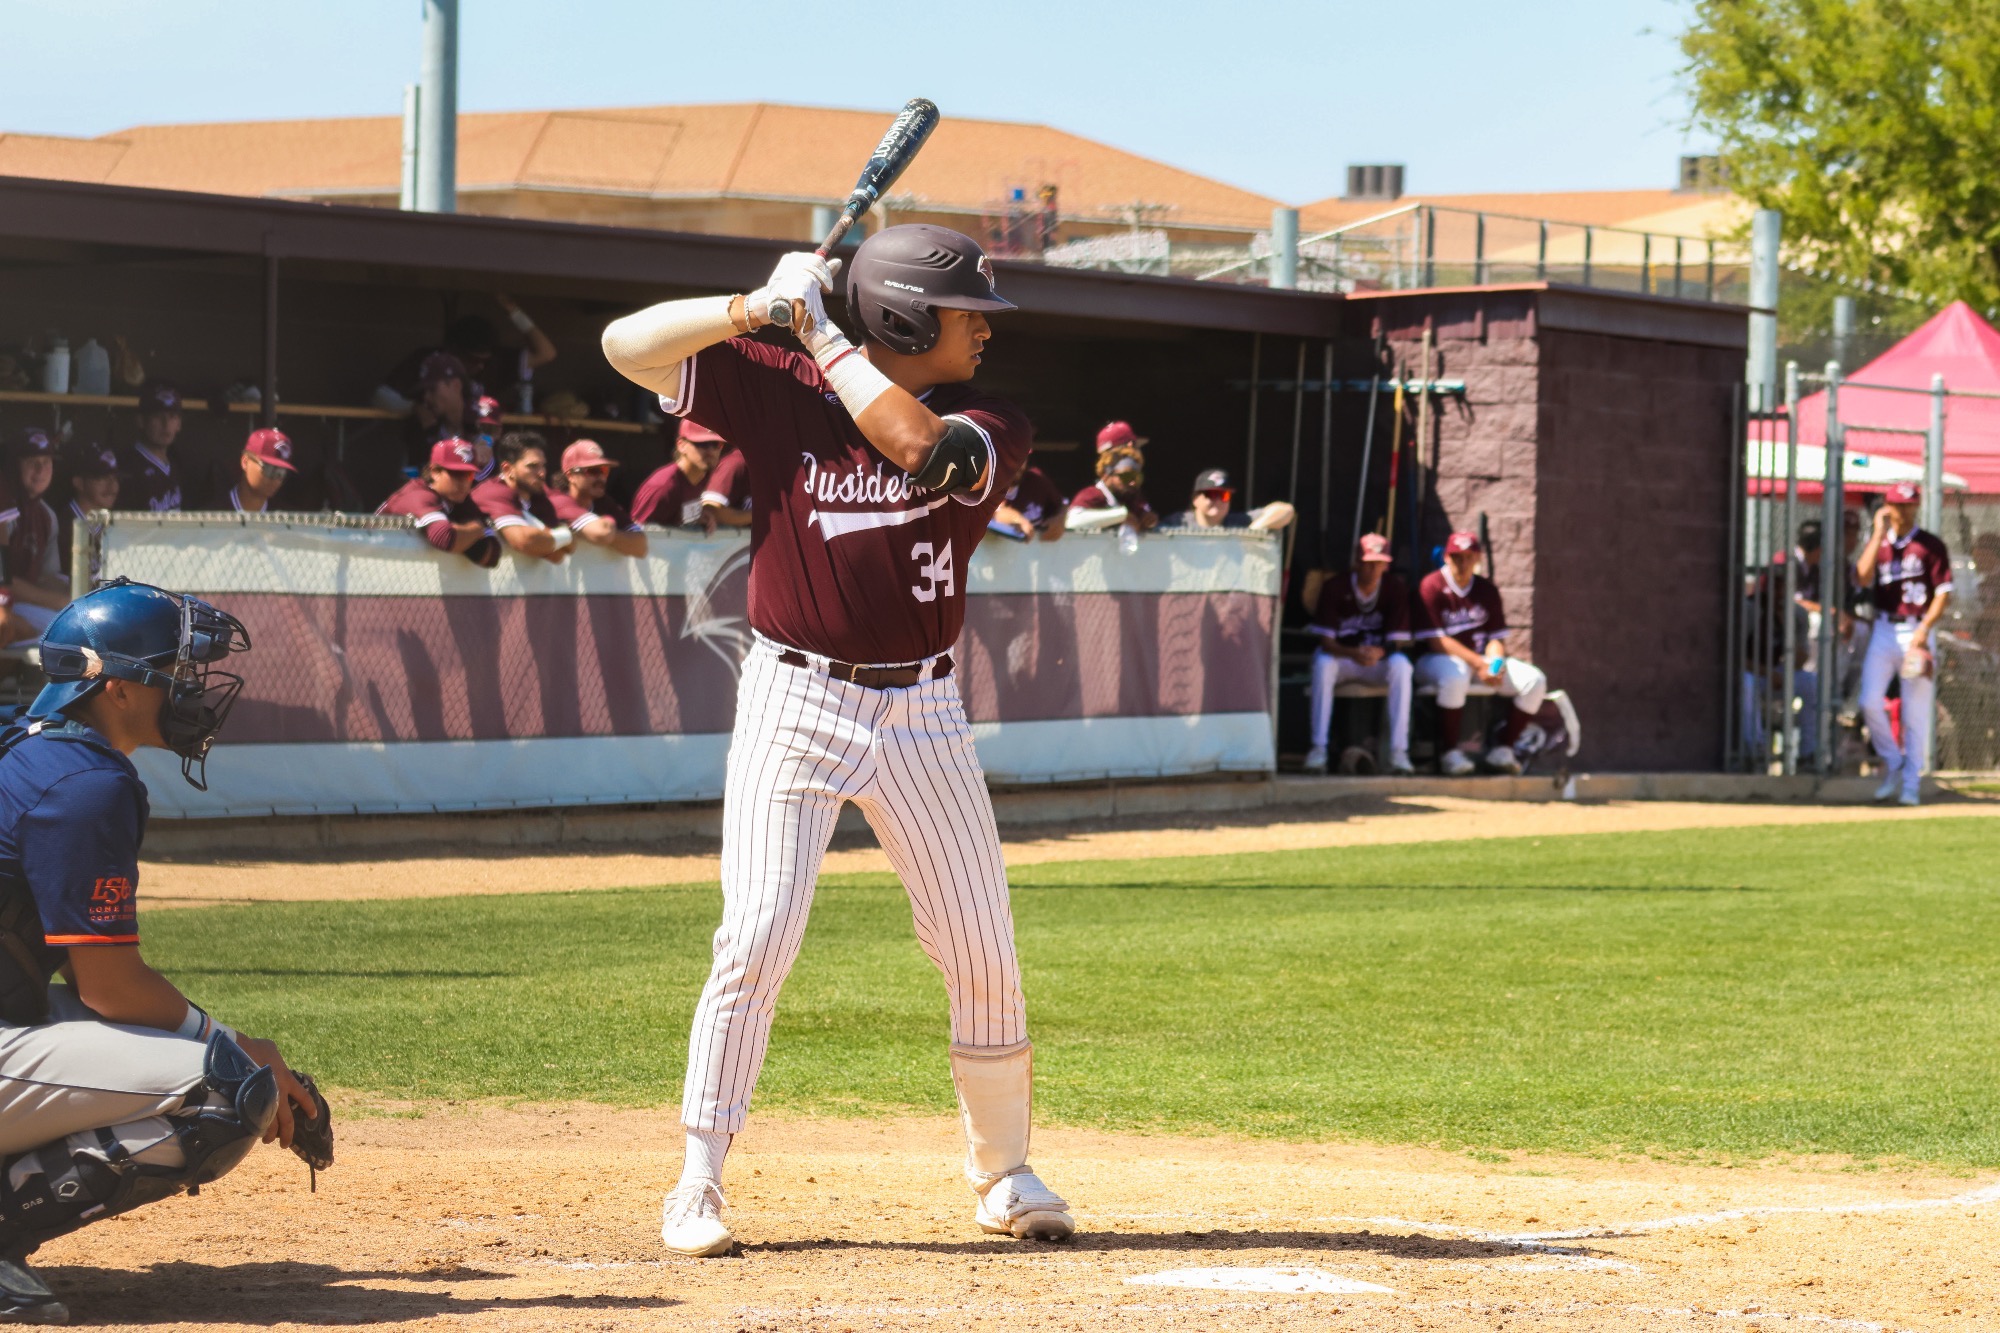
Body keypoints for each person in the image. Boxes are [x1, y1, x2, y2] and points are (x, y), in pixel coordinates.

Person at [602, 223, 1072, 1256]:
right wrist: (749, 311)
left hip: (924, 712)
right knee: (757, 934)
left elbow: (922, 450)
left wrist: (816, 334)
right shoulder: (780, 385)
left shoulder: (993, 421)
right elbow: (622, 346)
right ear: (906, 314)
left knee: (980, 948)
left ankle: (1004, 1174)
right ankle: (697, 1178)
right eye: (967, 311)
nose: (985, 330)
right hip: (795, 699)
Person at [0, 580, 322, 1322]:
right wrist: (238, 1044)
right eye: (172, 673)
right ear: (116, 688)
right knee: (230, 1087)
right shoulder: (83, 783)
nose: (190, 690)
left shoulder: (28, 748)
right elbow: (109, 988)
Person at [1412, 531, 1548, 775]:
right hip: (1436, 661)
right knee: (1455, 675)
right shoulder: (1431, 585)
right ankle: (1449, 753)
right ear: (1446, 557)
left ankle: (1503, 750)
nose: (1463, 563)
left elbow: (1495, 639)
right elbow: (1437, 641)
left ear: (1478, 558)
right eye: (1457, 557)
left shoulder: (1486, 589)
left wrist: (1495, 666)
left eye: (1468, 557)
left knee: (1535, 680)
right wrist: (1480, 664)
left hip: (1479, 663)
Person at [1854, 483, 1952, 805]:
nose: (1905, 510)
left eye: (1910, 504)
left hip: (1916, 630)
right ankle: (1894, 762)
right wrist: (1877, 534)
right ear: (1887, 507)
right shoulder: (1881, 543)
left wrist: (1925, 629)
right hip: (1884, 628)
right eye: (1899, 505)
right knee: (1869, 701)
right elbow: (1862, 577)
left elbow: (1943, 593)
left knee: (1914, 712)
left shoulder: (1930, 545)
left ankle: (1910, 784)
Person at [1304, 533, 1413, 775]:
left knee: (1402, 665)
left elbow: (1397, 641)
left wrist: (1379, 652)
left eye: (1379, 563)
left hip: (1375, 662)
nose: (1373, 569)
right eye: (1368, 563)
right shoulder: (1335, 586)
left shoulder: (1395, 588)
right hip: (1344, 658)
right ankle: (1318, 749)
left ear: (1386, 565)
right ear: (1357, 562)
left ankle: (1399, 753)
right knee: (1322, 663)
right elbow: (1326, 642)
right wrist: (1353, 653)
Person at [376, 439, 500, 567]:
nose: (464, 482)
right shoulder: (419, 495)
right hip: (375, 563)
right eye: (456, 474)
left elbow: (492, 556)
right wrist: (477, 529)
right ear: (435, 472)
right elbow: (444, 538)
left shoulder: (458, 500)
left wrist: (463, 535)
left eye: (469, 475)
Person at [471, 432, 569, 565]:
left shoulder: (538, 497)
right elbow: (523, 541)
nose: (542, 473)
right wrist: (566, 535)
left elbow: (557, 556)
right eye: (532, 466)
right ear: (507, 469)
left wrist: (546, 540)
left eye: (543, 466)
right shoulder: (492, 491)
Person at [631, 423, 750, 532]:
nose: (711, 451)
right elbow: (636, 534)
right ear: (681, 445)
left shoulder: (703, 478)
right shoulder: (663, 487)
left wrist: (699, 517)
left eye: (716, 444)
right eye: (702, 444)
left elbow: (678, 516)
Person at [4, 430, 66, 637]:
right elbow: (3, 581)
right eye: (32, 462)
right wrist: (63, 601)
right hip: (6, 602)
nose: (41, 470)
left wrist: (81, 595)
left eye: (46, 462)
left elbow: (46, 576)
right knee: (63, 631)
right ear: (14, 465)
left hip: (22, 601)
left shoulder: (47, 516)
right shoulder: (4, 508)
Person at [551, 440, 647, 557]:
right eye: (593, 471)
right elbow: (602, 534)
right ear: (570, 476)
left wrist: (608, 531)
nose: (601, 477)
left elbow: (641, 546)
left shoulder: (603, 502)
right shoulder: (558, 501)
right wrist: (609, 526)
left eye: (604, 470)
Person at [112, 380, 183, 514]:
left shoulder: (176, 463)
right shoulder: (127, 467)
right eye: (158, 416)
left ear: (179, 424)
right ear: (141, 421)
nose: (166, 424)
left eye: (172, 417)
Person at [56, 445, 119, 585]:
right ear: (79, 482)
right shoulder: (62, 525)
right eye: (101, 478)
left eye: (115, 478)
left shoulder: (115, 524)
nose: (112, 486)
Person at [1159, 468, 1296, 531]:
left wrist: (1251, 531)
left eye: (1224, 495)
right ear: (1195, 499)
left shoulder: (1239, 522)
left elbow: (1286, 510)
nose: (1218, 501)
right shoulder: (1178, 523)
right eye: (1211, 495)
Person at [201, 428, 297, 514]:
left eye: (281, 473)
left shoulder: (286, 519)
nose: (276, 480)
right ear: (245, 462)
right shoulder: (212, 516)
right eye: (269, 469)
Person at [1067, 446, 1155, 536]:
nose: (1132, 483)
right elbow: (1072, 521)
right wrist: (1121, 516)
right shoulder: (1092, 494)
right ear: (1106, 475)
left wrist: (1148, 519)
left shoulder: (1133, 499)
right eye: (1127, 476)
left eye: (1136, 478)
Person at [991, 462, 1066, 541]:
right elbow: (993, 513)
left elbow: (1062, 505)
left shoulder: (1036, 482)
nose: (1018, 461)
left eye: (1023, 457)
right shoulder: (985, 480)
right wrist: (1017, 519)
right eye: (1011, 456)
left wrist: (1060, 517)